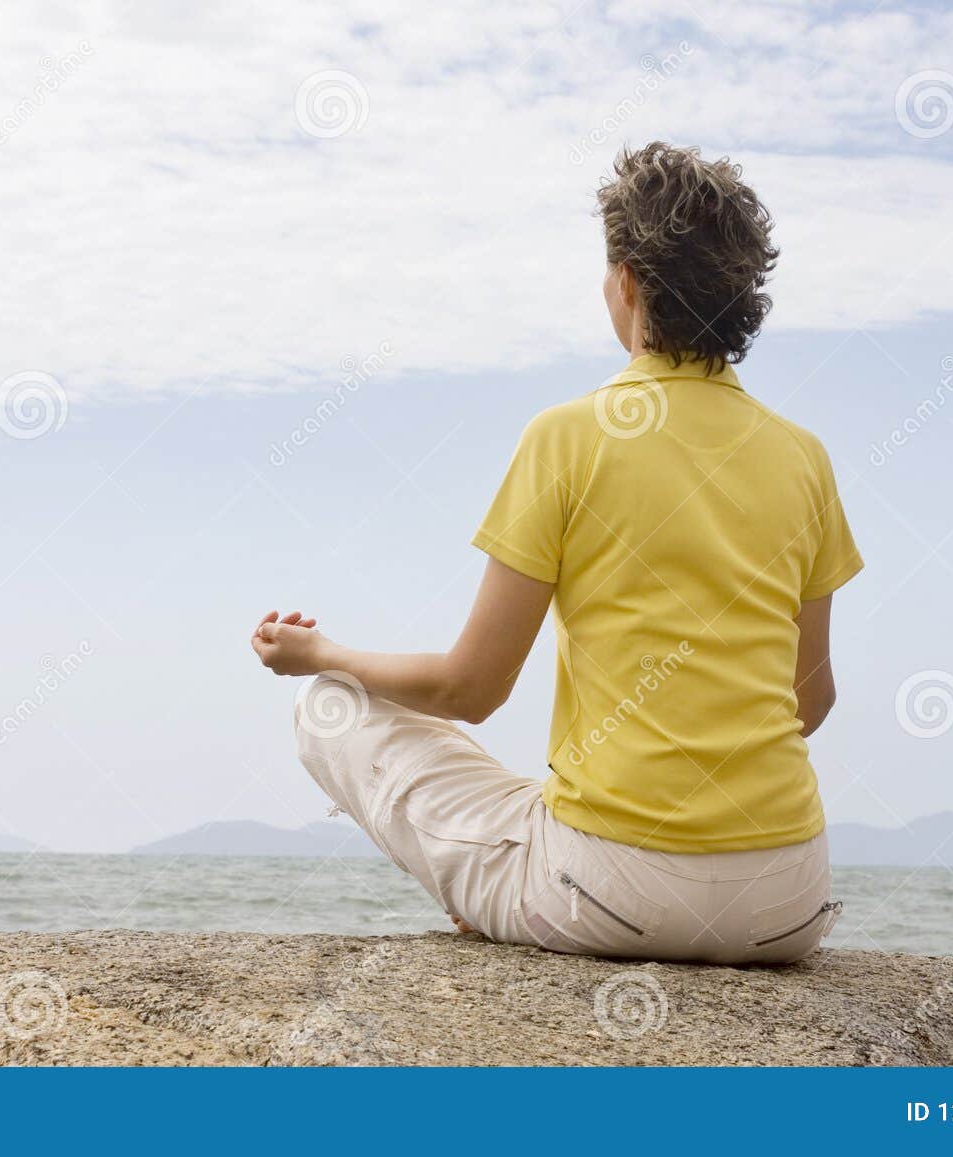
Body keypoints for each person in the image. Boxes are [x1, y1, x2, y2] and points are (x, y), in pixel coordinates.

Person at [250, 142, 862, 965]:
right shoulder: (803, 456)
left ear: (629, 283)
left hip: (616, 898)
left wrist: (318, 652)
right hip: (788, 902)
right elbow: (809, 699)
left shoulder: (568, 437)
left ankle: (502, 890)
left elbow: (469, 689)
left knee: (324, 705)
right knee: (546, 797)